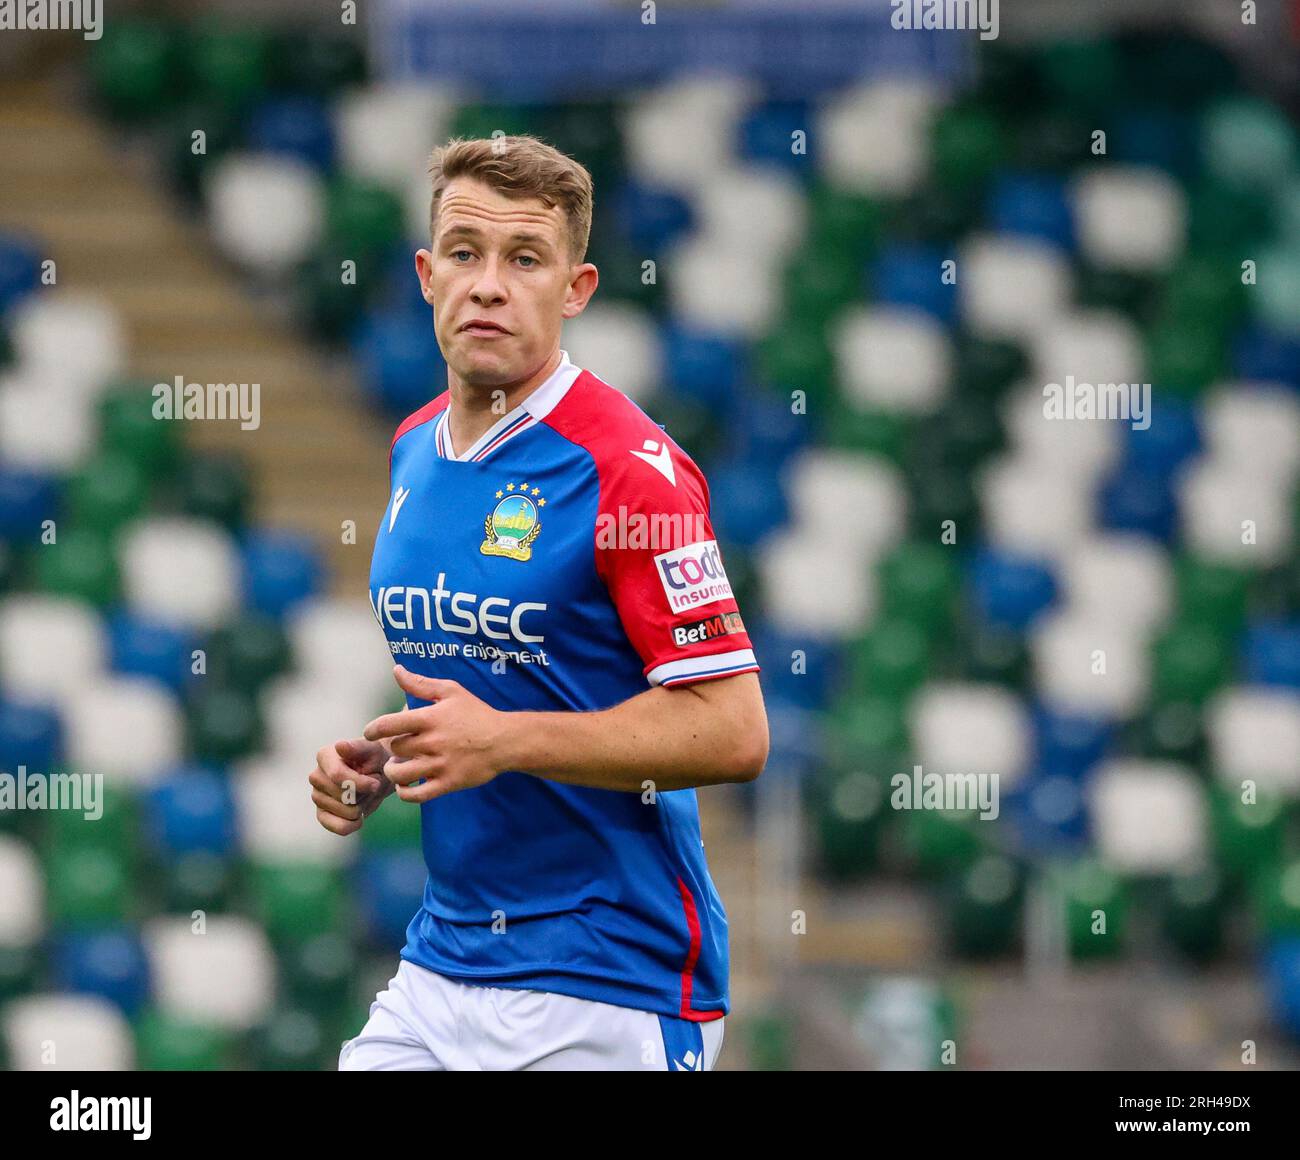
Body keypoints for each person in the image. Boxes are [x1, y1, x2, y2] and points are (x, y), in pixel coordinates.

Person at [310, 135, 768, 1071]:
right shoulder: (412, 449)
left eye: (526, 260)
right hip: (444, 961)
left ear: (577, 289)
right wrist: (385, 759)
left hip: (606, 978)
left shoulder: (632, 472)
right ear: (427, 274)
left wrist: (505, 742)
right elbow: (488, 675)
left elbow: (734, 732)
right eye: (466, 254)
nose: (489, 284)